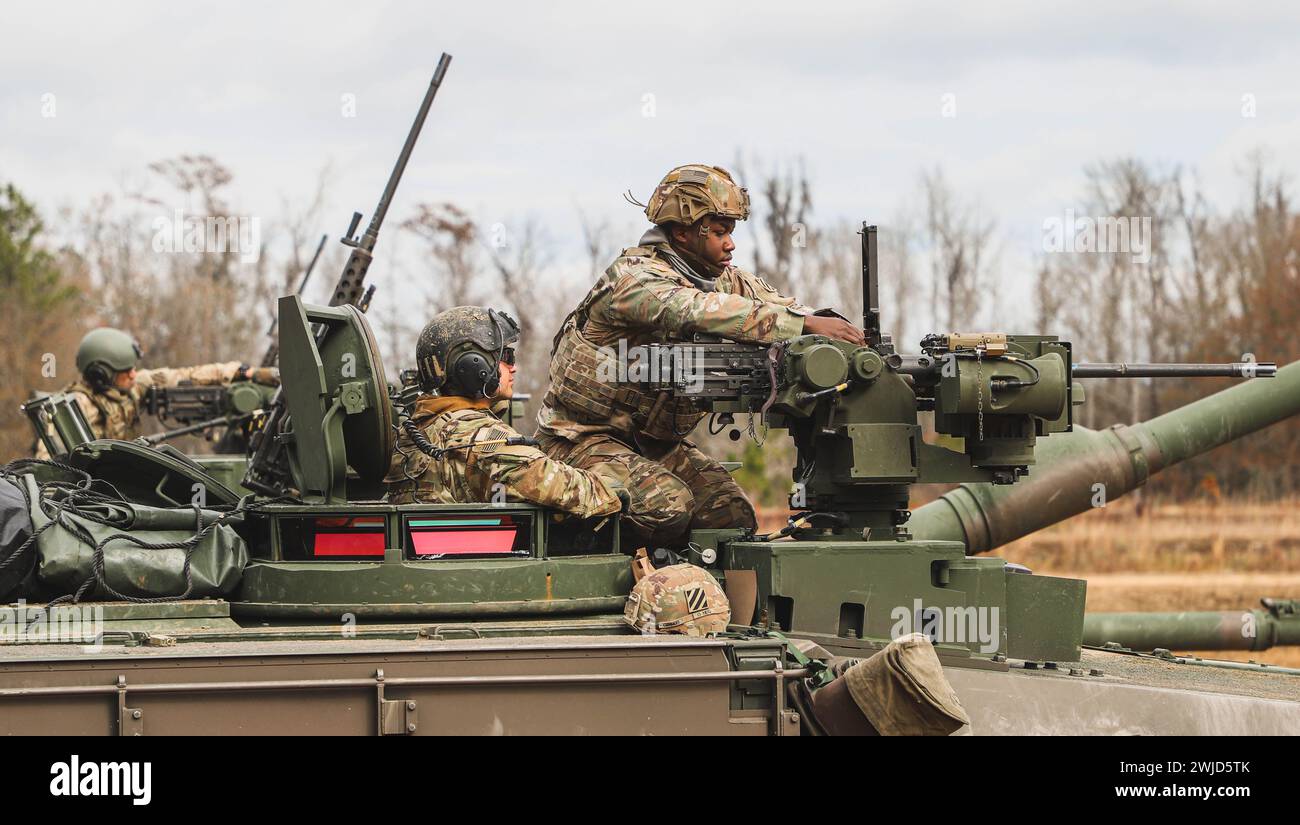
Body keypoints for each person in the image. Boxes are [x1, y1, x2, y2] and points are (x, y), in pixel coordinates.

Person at [537, 164, 866, 549]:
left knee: (729, 514)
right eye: (720, 232)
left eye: (731, 232)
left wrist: (833, 333)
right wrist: (802, 324)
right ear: (682, 232)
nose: (731, 244)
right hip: (580, 442)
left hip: (653, 445)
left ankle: (700, 591)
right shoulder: (634, 280)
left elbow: (784, 308)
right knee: (667, 506)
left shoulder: (724, 278)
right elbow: (695, 309)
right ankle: (603, 562)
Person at [384, 306, 623, 520]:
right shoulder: (482, 437)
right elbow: (568, 489)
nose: (514, 367)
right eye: (506, 357)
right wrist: (619, 490)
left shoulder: (412, 435)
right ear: (472, 365)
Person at [35, 327, 278, 458]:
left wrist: (245, 373)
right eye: (124, 371)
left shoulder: (134, 386)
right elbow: (47, 459)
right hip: (91, 491)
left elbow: (188, 374)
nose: (133, 374)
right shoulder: (77, 405)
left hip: (119, 480)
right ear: (101, 374)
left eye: (133, 368)